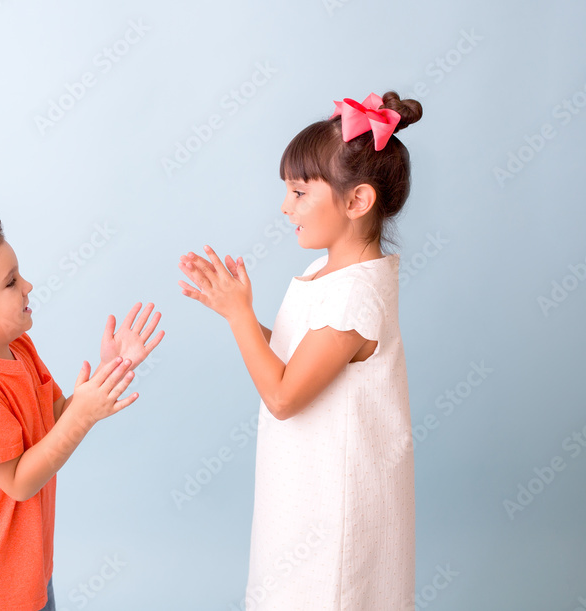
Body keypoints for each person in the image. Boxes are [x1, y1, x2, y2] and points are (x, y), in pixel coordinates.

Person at [178, 91, 422, 610]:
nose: (286, 206)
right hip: (305, 490)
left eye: (299, 192)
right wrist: (235, 313)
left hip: (336, 507)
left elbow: (285, 396)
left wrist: (243, 316)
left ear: (356, 201)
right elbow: (298, 363)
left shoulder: (356, 294)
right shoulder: (327, 275)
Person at [0, 213, 163, 611]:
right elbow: (19, 482)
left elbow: (52, 421)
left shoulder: (19, 347)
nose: (28, 286)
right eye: (10, 282)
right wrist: (84, 415)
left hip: (28, 572)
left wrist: (110, 370)